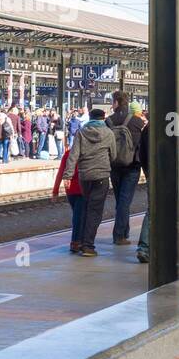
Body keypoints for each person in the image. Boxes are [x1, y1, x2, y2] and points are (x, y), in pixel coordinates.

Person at [136, 112, 179, 263]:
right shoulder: (172, 126)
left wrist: (148, 172)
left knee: (153, 210)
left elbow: (141, 153)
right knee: (175, 211)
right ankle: (173, 250)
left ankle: (144, 247)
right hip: (172, 176)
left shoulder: (148, 128)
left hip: (154, 174)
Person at [61, 107, 117, 257]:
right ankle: (88, 246)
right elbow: (114, 155)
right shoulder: (108, 133)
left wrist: (67, 176)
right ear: (103, 118)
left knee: (85, 207)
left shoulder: (81, 133)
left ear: (90, 118)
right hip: (101, 176)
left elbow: (73, 155)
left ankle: (79, 242)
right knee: (95, 211)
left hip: (84, 176)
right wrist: (106, 164)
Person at [105, 92, 146, 246]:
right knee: (124, 201)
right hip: (132, 165)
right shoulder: (137, 122)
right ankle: (119, 235)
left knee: (120, 201)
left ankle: (124, 231)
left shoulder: (109, 121)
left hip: (114, 165)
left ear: (116, 103)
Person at [52, 139, 85, 254]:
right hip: (82, 189)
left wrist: (55, 191)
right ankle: (76, 242)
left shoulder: (67, 154)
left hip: (70, 190)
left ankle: (78, 240)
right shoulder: (85, 154)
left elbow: (60, 173)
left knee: (77, 215)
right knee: (79, 217)